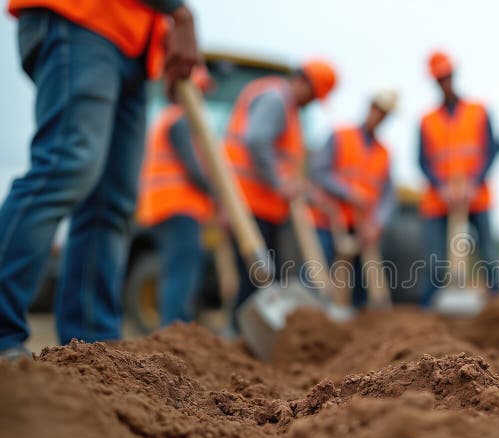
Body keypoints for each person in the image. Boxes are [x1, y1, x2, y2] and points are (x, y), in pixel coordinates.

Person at [0, 0, 200, 361]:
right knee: (65, 167)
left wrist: (163, 34)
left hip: (134, 46)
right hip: (79, 16)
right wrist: (180, 13)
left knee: (113, 202)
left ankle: (93, 351)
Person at [224, 60, 337, 320]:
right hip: (250, 204)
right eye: (313, 95)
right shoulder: (276, 100)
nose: (312, 102)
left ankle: (244, 337)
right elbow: (256, 140)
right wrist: (279, 183)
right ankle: (238, 336)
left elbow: (286, 166)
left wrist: (307, 194)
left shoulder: (290, 112)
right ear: (303, 82)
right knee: (254, 278)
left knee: (262, 278)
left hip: (266, 207)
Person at [418, 51, 499, 306]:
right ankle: (432, 312)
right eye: (439, 79)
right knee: (435, 261)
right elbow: (422, 161)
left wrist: (474, 183)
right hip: (438, 201)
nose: (445, 82)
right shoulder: (427, 121)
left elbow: (490, 151)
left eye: (447, 77)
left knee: (488, 256)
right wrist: (441, 187)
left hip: (476, 197)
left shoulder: (478, 111)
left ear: (453, 76)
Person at [136, 67, 216, 326]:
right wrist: (218, 195)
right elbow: (194, 170)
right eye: (201, 93)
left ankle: (176, 327)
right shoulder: (180, 120)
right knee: (181, 273)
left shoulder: (168, 119)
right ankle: (175, 329)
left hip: (167, 208)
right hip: (177, 207)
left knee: (177, 270)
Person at [310, 90, 398, 308]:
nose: (379, 116)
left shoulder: (384, 152)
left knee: (359, 286)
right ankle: (315, 317)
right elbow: (319, 171)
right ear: (370, 108)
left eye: (384, 114)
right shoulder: (340, 136)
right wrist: (347, 192)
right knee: (318, 278)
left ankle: (356, 325)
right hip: (329, 221)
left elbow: (388, 195)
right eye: (377, 110)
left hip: (362, 228)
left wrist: (378, 224)